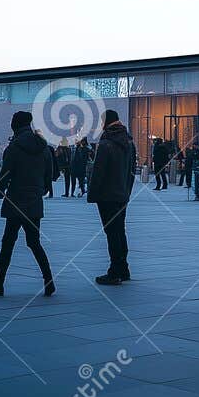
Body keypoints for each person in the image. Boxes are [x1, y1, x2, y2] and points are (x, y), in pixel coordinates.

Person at [0, 111, 55, 296]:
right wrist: (42, 189)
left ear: (15, 126)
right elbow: (50, 176)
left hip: (15, 202)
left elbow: (5, 173)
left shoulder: (14, 148)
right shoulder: (44, 147)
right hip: (34, 203)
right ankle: (49, 280)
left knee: (7, 242)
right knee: (34, 242)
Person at [88, 109, 136, 285]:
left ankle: (114, 271)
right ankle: (123, 269)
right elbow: (131, 171)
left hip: (107, 195)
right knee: (119, 231)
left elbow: (98, 172)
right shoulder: (128, 141)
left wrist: (92, 194)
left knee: (111, 232)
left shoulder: (106, 142)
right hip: (122, 194)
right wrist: (127, 191)